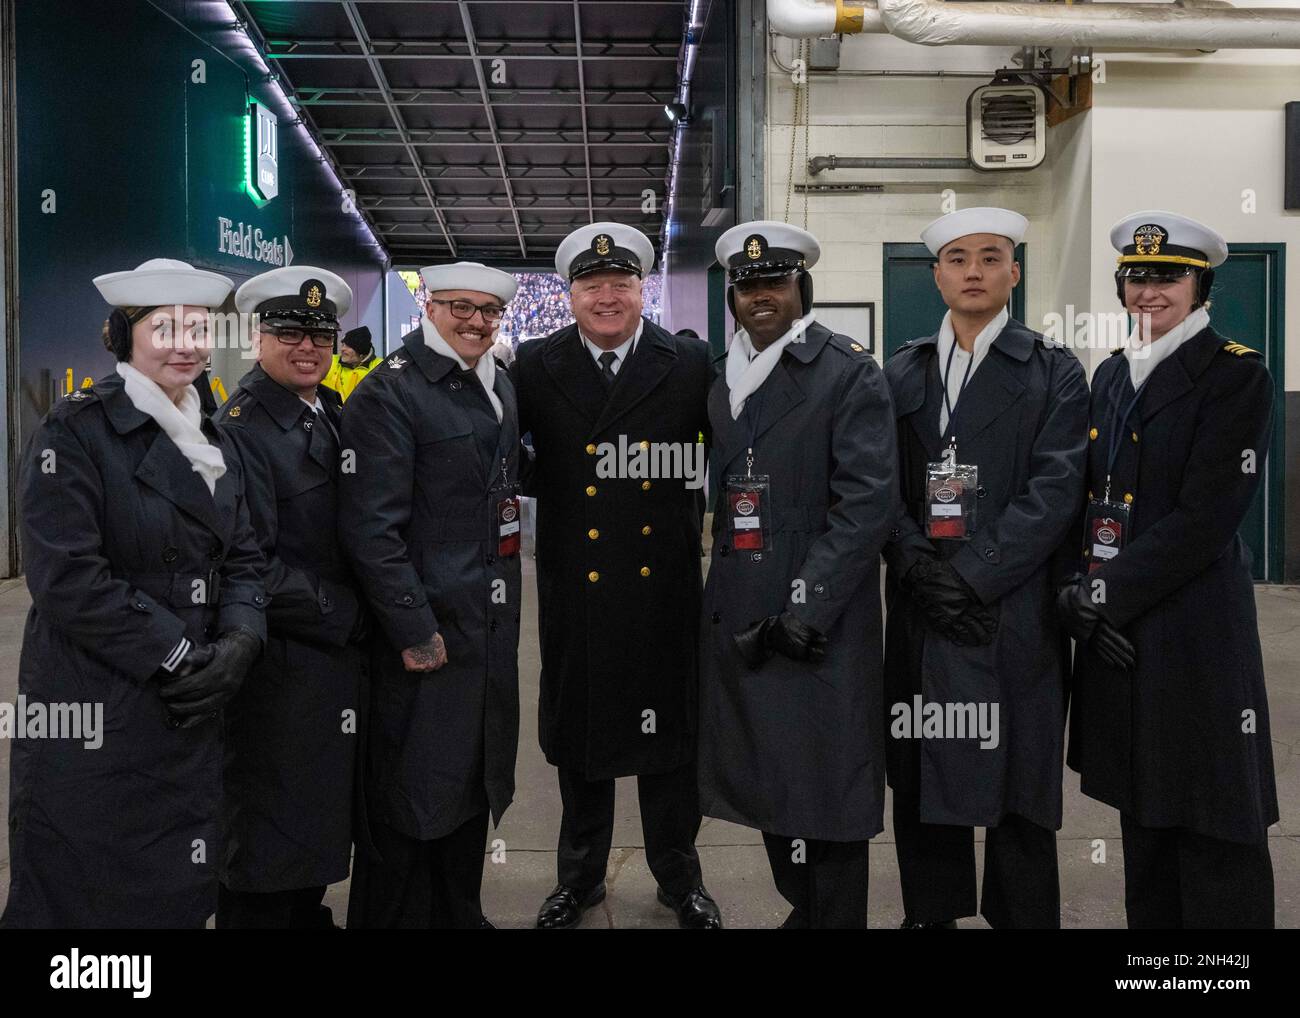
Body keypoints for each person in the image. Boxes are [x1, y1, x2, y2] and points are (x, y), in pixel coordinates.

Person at [1, 259, 267, 928]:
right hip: (100, 708)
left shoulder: (215, 438)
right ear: (124, 336)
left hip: (192, 713)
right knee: (83, 900)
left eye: (199, 327)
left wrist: (240, 638)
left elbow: (245, 554)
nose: (187, 343)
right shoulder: (74, 431)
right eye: (165, 327)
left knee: (174, 892)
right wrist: (177, 652)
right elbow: (66, 576)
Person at [1060, 211, 1278, 929]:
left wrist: (1103, 595)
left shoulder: (1235, 373)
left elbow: (1207, 517)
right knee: (1144, 807)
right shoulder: (1114, 374)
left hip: (1194, 625)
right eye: (1137, 276)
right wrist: (1079, 590)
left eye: (1168, 277)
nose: (1150, 291)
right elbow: (1096, 499)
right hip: (1120, 627)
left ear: (1200, 284)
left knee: (1215, 809)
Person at [881, 208, 1088, 929]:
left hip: (1013, 611)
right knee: (922, 774)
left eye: (991, 257)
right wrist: (915, 567)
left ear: (1015, 273)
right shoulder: (899, 369)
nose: (974, 270)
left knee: (1019, 783)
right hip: (920, 610)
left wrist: (973, 576)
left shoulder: (1055, 371)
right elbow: (880, 485)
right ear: (937, 275)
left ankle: (1024, 917)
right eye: (959, 258)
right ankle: (929, 915)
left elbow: (1057, 489)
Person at [512, 222, 720, 929]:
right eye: (592, 285)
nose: (607, 297)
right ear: (570, 295)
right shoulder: (535, 367)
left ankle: (679, 877)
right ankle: (578, 878)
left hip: (661, 585)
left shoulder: (687, 363)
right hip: (578, 585)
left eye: (620, 284)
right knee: (582, 741)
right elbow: (511, 457)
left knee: (671, 748)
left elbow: (725, 454)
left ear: (642, 291)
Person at [698, 221, 896, 929]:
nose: (760, 296)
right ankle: (804, 909)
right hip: (742, 614)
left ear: (800, 288)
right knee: (768, 783)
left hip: (816, 625)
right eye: (747, 285)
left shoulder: (848, 372)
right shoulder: (722, 377)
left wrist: (805, 611)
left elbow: (868, 504)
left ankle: (831, 917)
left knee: (828, 790)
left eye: (774, 282)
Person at [339, 261, 522, 929]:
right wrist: (415, 628)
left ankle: (458, 913)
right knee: (408, 799)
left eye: (487, 311)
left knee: (468, 791)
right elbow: (370, 531)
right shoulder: (391, 394)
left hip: (485, 630)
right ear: (430, 308)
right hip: (428, 639)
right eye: (460, 308)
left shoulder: (495, 385)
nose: (476, 321)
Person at [212, 266, 368, 929]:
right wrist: (349, 613)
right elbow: (246, 565)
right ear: (257, 336)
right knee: (269, 821)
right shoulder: (239, 429)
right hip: (281, 665)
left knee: (310, 814)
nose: (307, 345)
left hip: (325, 668)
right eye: (287, 331)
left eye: (319, 332)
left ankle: (303, 915)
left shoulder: (325, 411)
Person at [322, 325, 381, 402]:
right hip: (330, 412)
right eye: (343, 345)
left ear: (361, 352)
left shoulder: (380, 368)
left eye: (348, 346)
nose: (342, 349)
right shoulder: (329, 360)